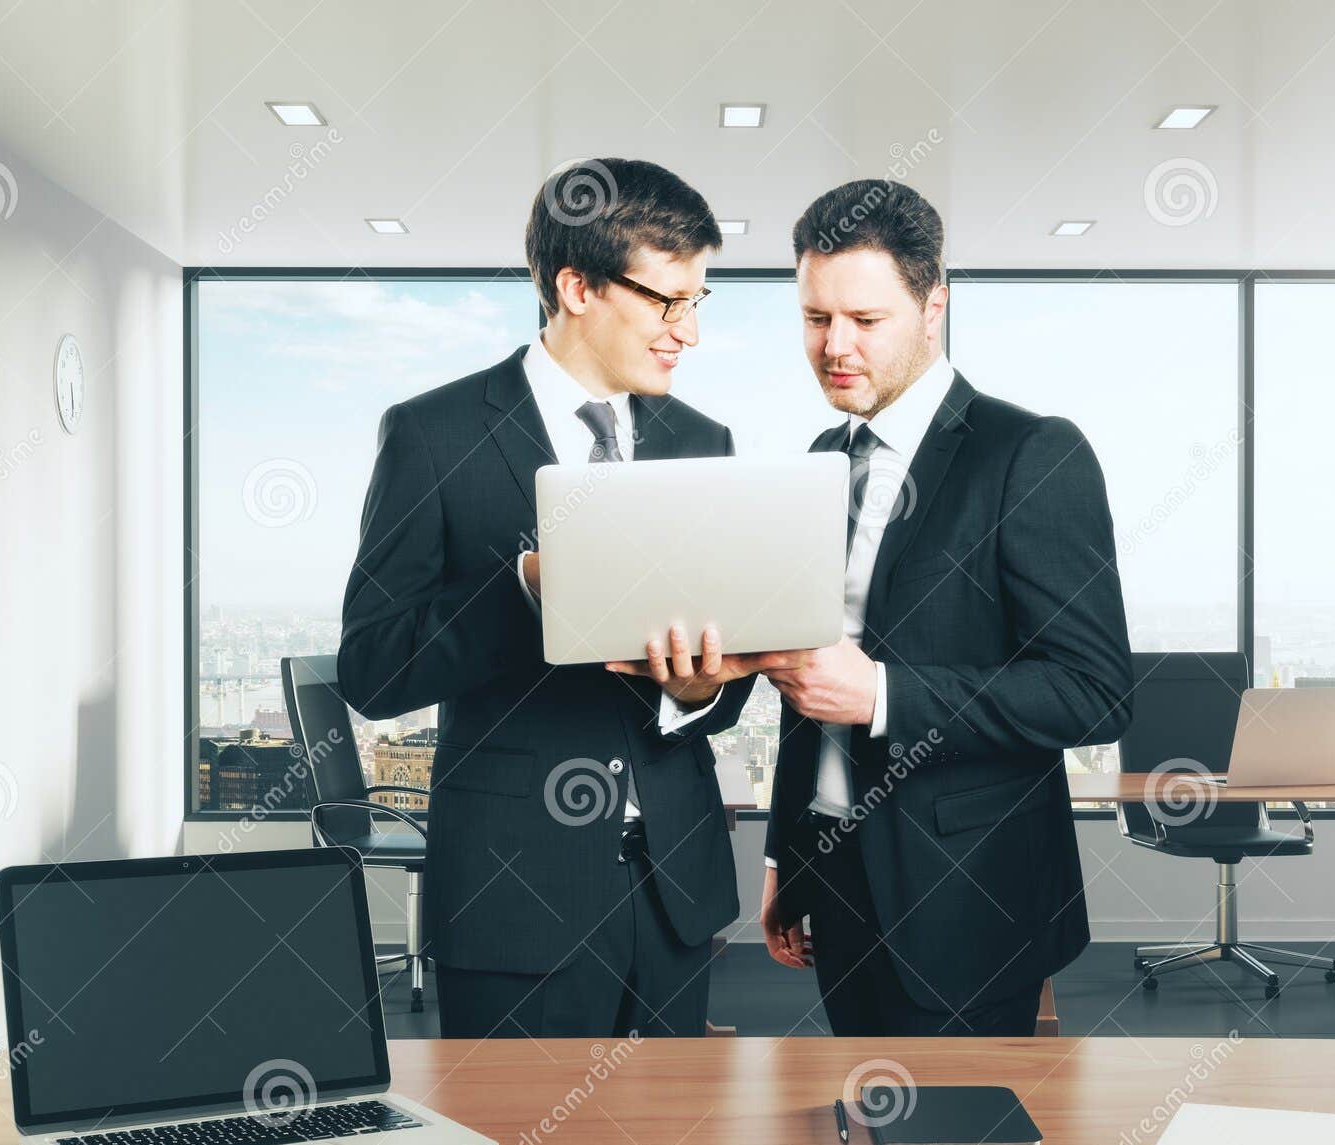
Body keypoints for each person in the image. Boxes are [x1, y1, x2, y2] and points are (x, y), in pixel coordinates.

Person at [339, 158, 790, 1039]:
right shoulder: (435, 433)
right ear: (577, 285)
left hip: (674, 888)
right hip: (514, 891)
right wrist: (524, 587)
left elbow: (724, 675)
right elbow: (374, 667)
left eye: (700, 302)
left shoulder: (703, 439)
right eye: (668, 302)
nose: (687, 333)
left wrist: (697, 691)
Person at [759, 179, 1134, 1037]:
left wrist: (886, 696)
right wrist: (787, 850)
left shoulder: (1031, 454)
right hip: (835, 868)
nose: (834, 346)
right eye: (816, 319)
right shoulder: (822, 457)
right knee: (857, 1137)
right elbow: (806, 676)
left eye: (865, 320)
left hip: (967, 888)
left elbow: (1093, 691)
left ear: (935, 308)